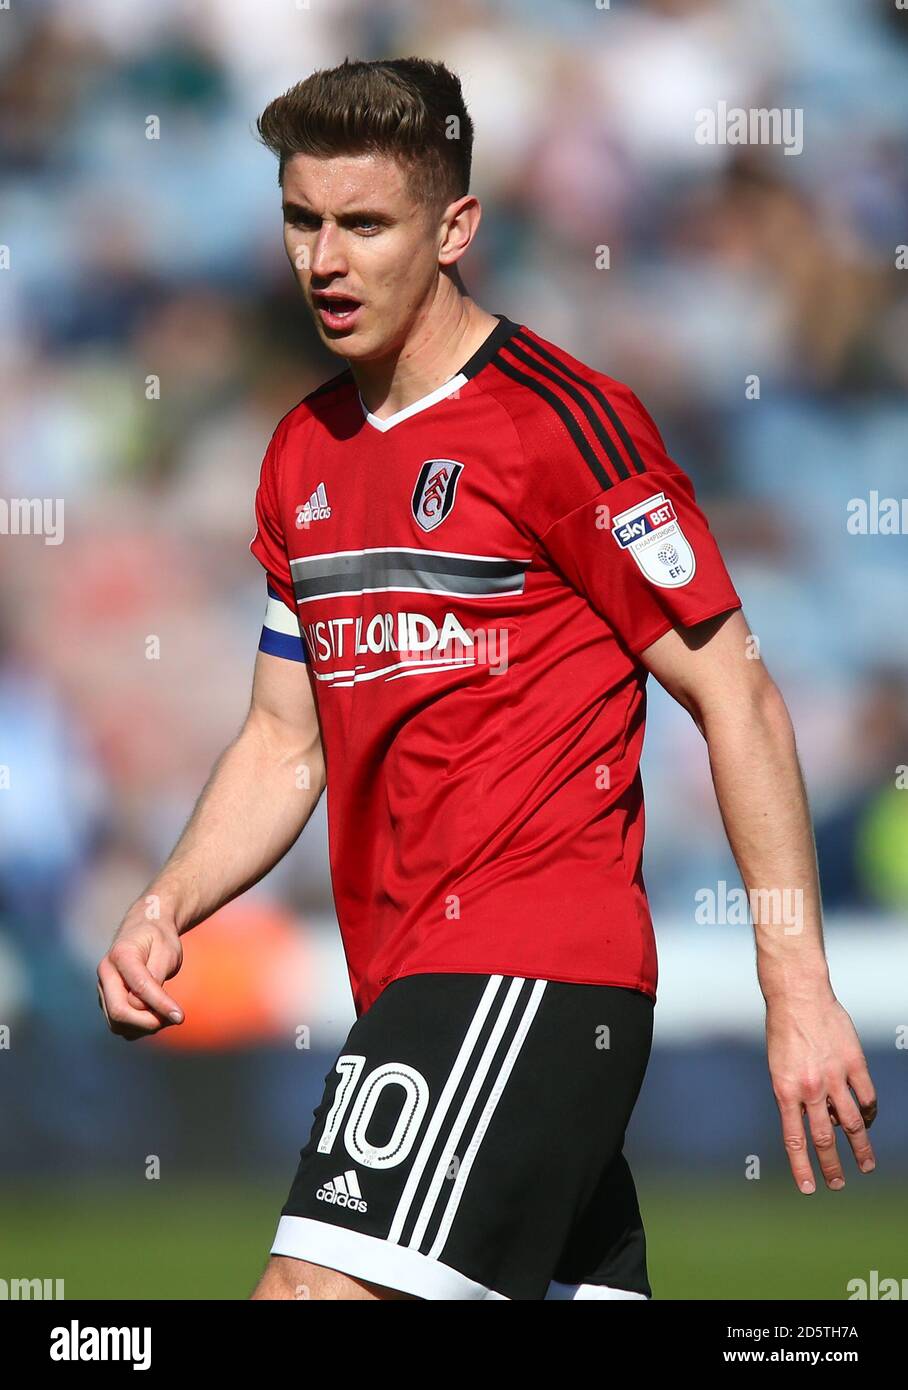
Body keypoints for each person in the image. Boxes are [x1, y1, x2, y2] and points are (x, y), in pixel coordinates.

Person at [97, 56, 877, 1302]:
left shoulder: (561, 426)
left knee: (305, 1295)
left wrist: (796, 987)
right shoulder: (303, 449)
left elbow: (737, 693)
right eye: (303, 220)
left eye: (365, 224)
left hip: (525, 969)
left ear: (455, 227)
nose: (325, 261)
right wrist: (168, 899)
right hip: (412, 982)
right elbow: (281, 740)